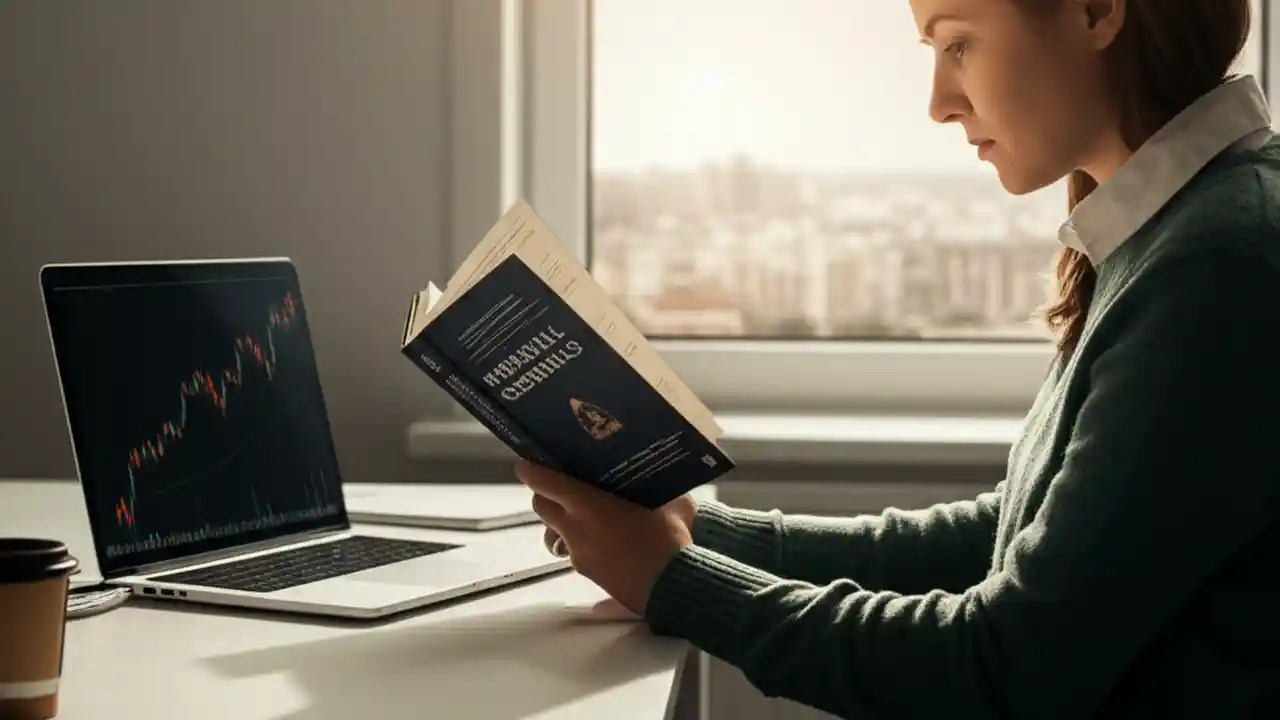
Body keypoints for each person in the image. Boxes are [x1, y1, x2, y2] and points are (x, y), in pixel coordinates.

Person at [514, 0, 1280, 716]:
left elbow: (1007, 664)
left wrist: (674, 583)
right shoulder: (1172, 231)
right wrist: (703, 535)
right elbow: (1010, 538)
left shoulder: (1221, 264)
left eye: (957, 43)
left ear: (1096, 10)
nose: (939, 101)